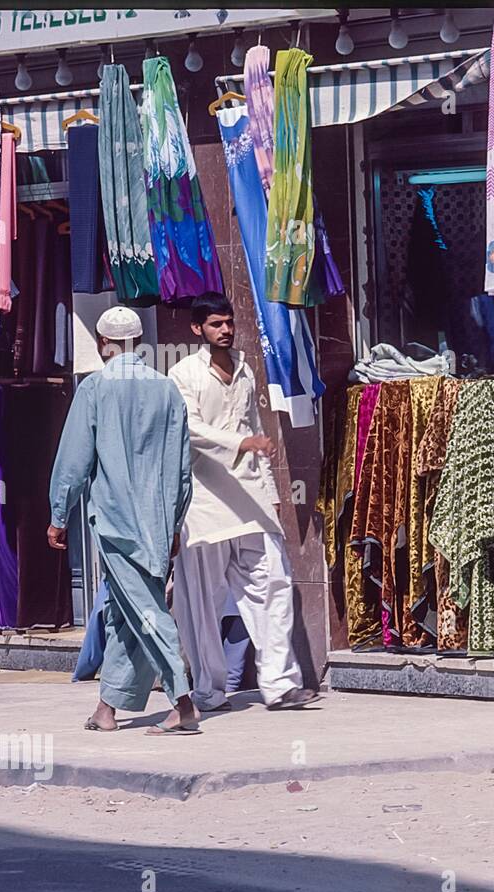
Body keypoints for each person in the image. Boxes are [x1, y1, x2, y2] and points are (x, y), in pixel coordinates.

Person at [48, 306, 199, 735]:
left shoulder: (95, 388)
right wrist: (173, 525)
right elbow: (182, 468)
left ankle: (183, 701)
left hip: (117, 524)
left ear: (102, 343)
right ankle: (106, 709)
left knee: (146, 611)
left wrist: (59, 514)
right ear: (140, 343)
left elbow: (73, 461)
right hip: (156, 521)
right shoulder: (167, 389)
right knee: (123, 614)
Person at [168, 292, 319, 712]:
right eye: (216, 324)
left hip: (250, 499)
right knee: (201, 602)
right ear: (198, 329)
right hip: (204, 503)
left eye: (229, 322)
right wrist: (242, 442)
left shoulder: (247, 372)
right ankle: (210, 691)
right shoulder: (183, 374)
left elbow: (258, 436)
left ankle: (280, 685)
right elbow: (190, 429)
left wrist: (271, 497)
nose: (226, 330)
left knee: (274, 585)